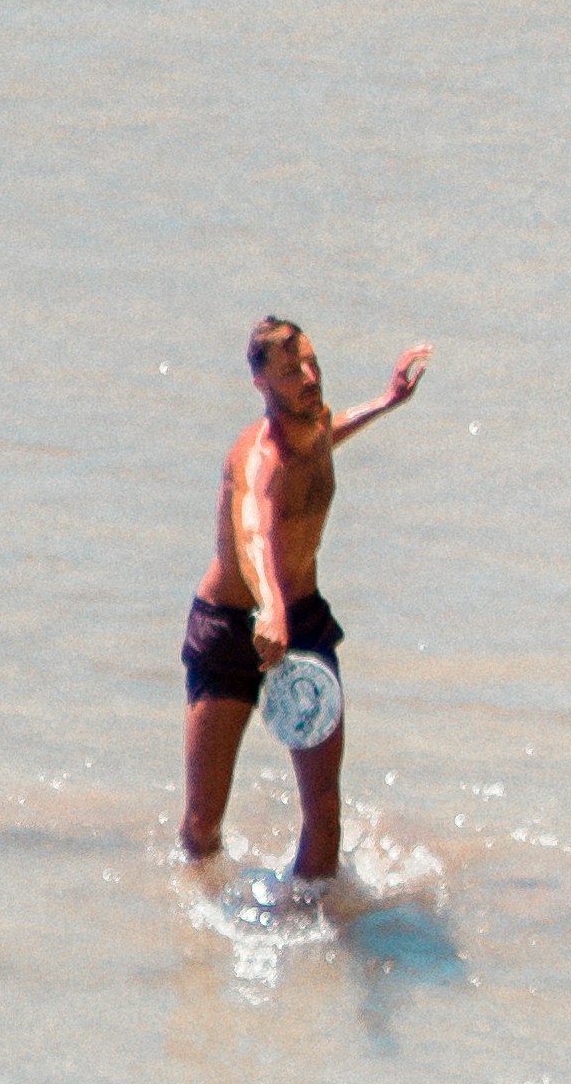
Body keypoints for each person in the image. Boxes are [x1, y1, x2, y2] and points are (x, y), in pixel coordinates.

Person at [178, 310, 430, 885]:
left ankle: (314, 931)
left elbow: (322, 440)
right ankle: (201, 935)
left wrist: (384, 404)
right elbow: (253, 529)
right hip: (231, 630)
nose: (310, 377)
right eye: (291, 372)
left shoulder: (312, 423)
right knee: (201, 825)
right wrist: (269, 605)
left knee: (325, 814)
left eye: (312, 362)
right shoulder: (258, 458)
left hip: (304, 624)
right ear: (260, 385)